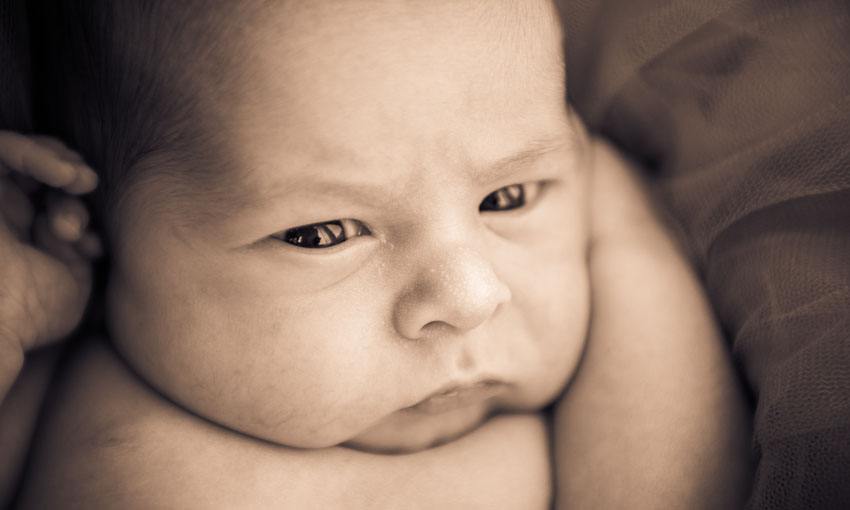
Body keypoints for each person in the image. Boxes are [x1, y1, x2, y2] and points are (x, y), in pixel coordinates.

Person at [2, 0, 752, 507]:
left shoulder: (583, 421)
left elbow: (679, 489)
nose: (471, 299)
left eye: (510, 197)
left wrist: (625, 224)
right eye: (324, 234)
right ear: (85, 224)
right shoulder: (57, 384)